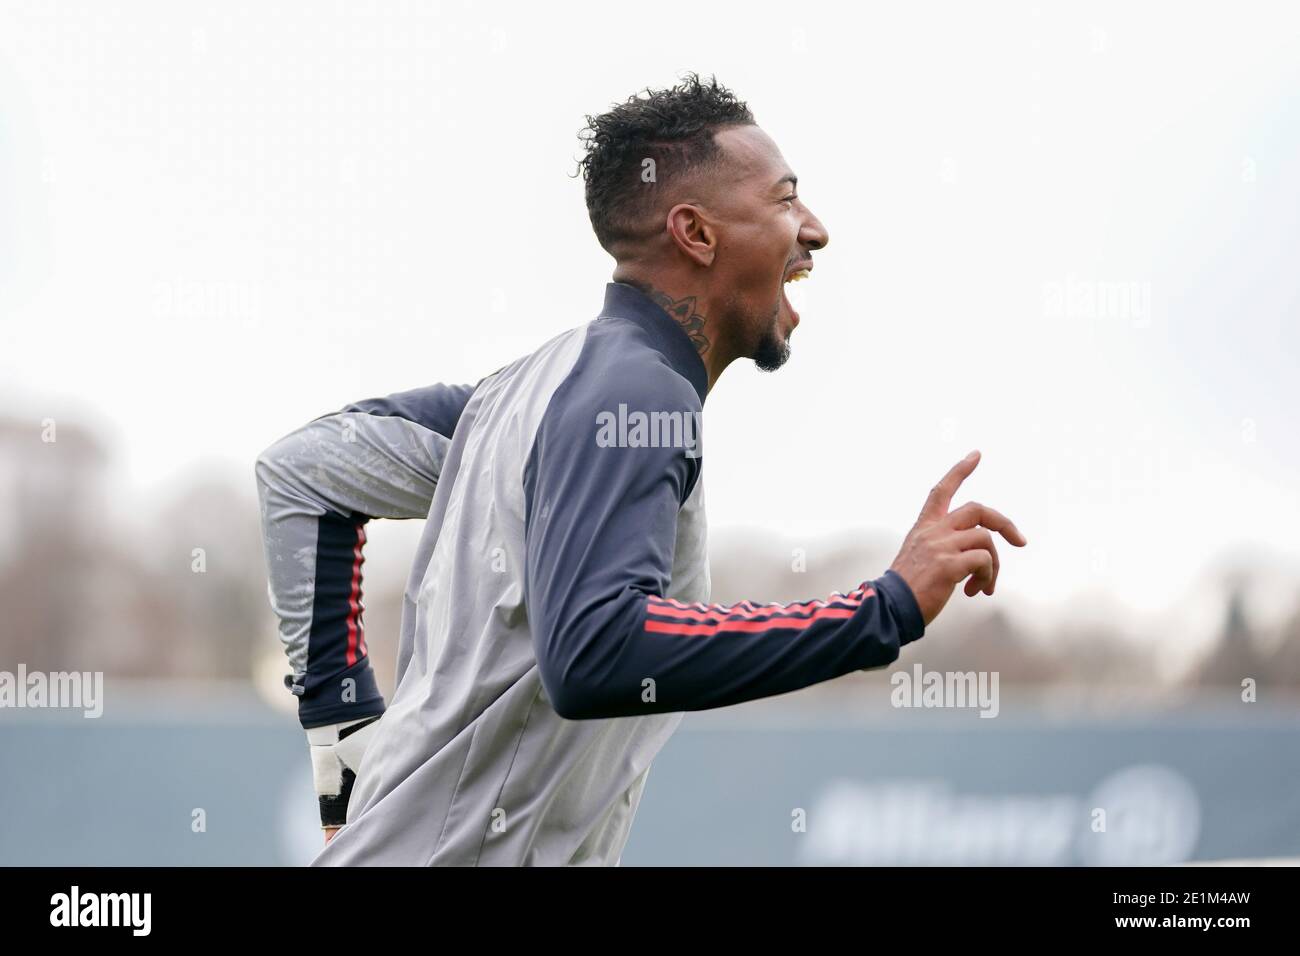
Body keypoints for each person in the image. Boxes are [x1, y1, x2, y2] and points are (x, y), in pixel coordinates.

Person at [254, 73, 1026, 865]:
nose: (815, 230)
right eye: (786, 199)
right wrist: (882, 607)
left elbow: (305, 473)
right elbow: (596, 651)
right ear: (696, 233)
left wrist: (342, 761)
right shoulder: (632, 390)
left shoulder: (534, 395)